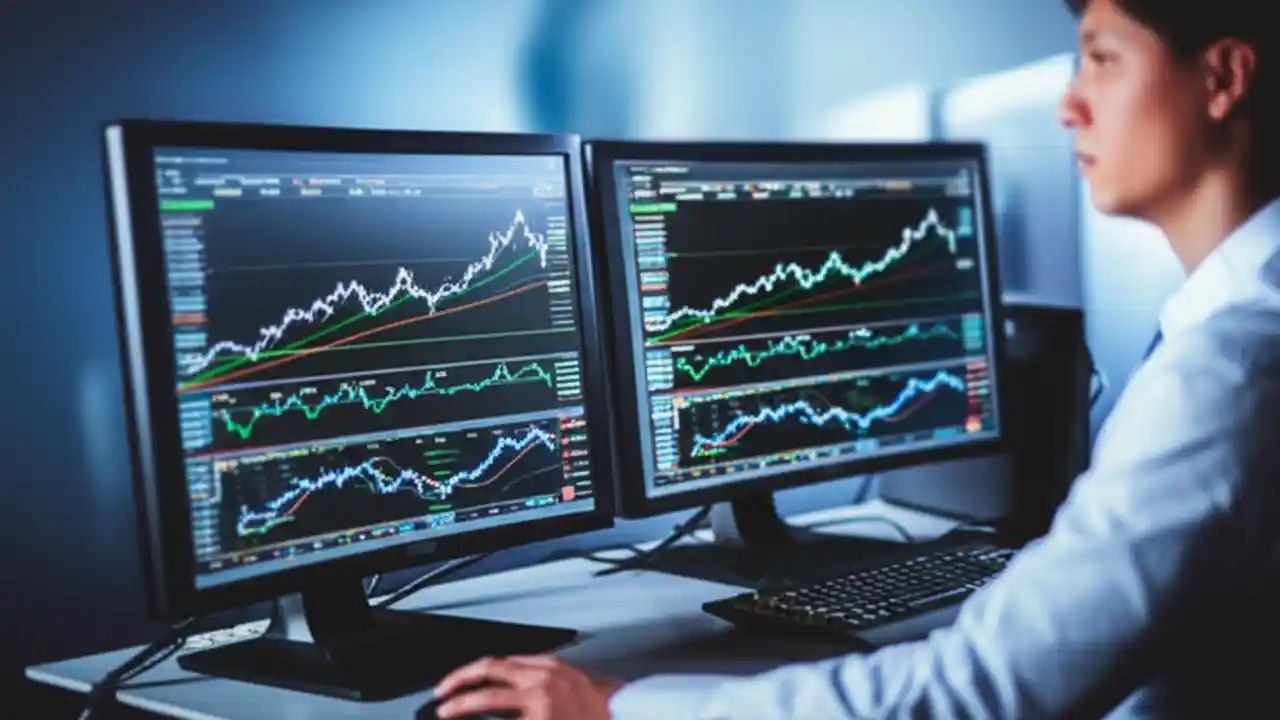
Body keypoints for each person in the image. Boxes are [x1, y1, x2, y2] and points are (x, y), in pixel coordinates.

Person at [433, 0, 1280, 717]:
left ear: (1222, 78)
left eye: (1101, 60)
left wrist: (619, 706)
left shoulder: (1227, 374)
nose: (1070, 105)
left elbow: (977, 691)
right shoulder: (1236, 339)